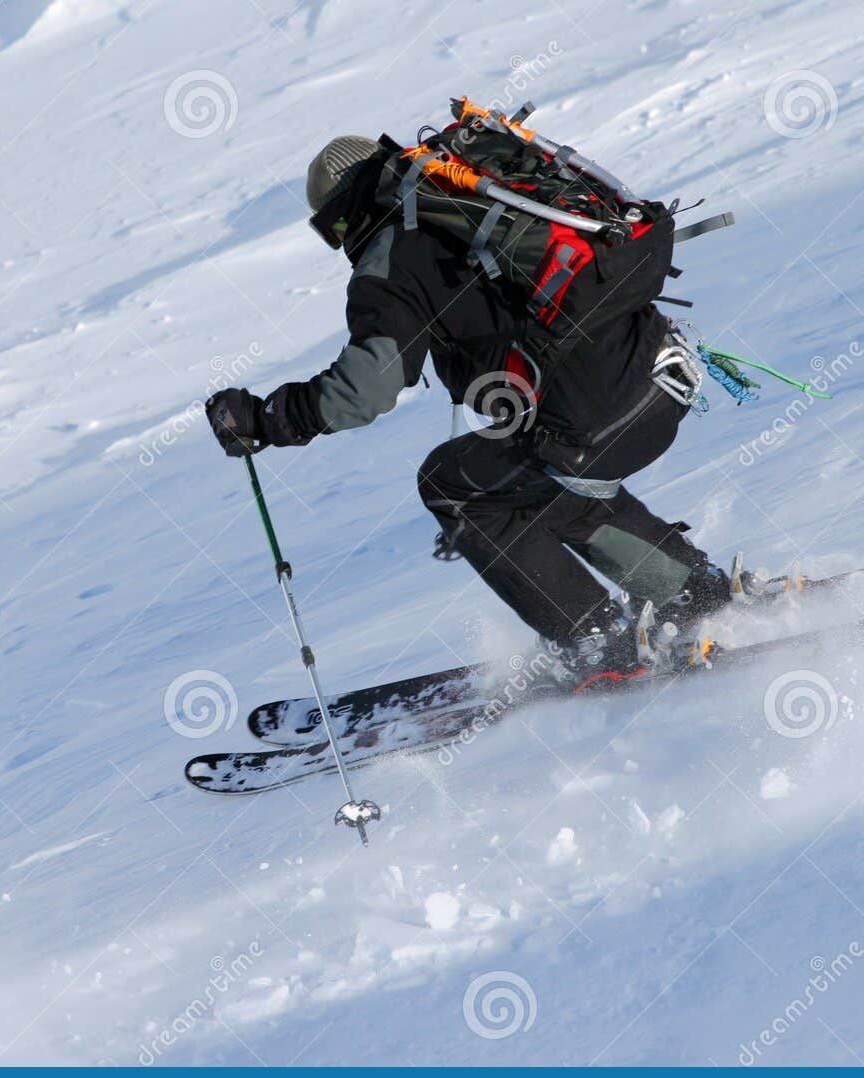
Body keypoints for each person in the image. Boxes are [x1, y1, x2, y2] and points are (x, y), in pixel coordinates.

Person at [206, 135, 732, 686]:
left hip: (595, 417)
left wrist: (268, 419)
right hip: (663, 378)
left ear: (345, 213)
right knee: (531, 481)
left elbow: (365, 390)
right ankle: (695, 592)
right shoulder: (471, 208)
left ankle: (596, 640)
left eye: (331, 228)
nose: (339, 243)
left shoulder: (394, 254)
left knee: (451, 483)